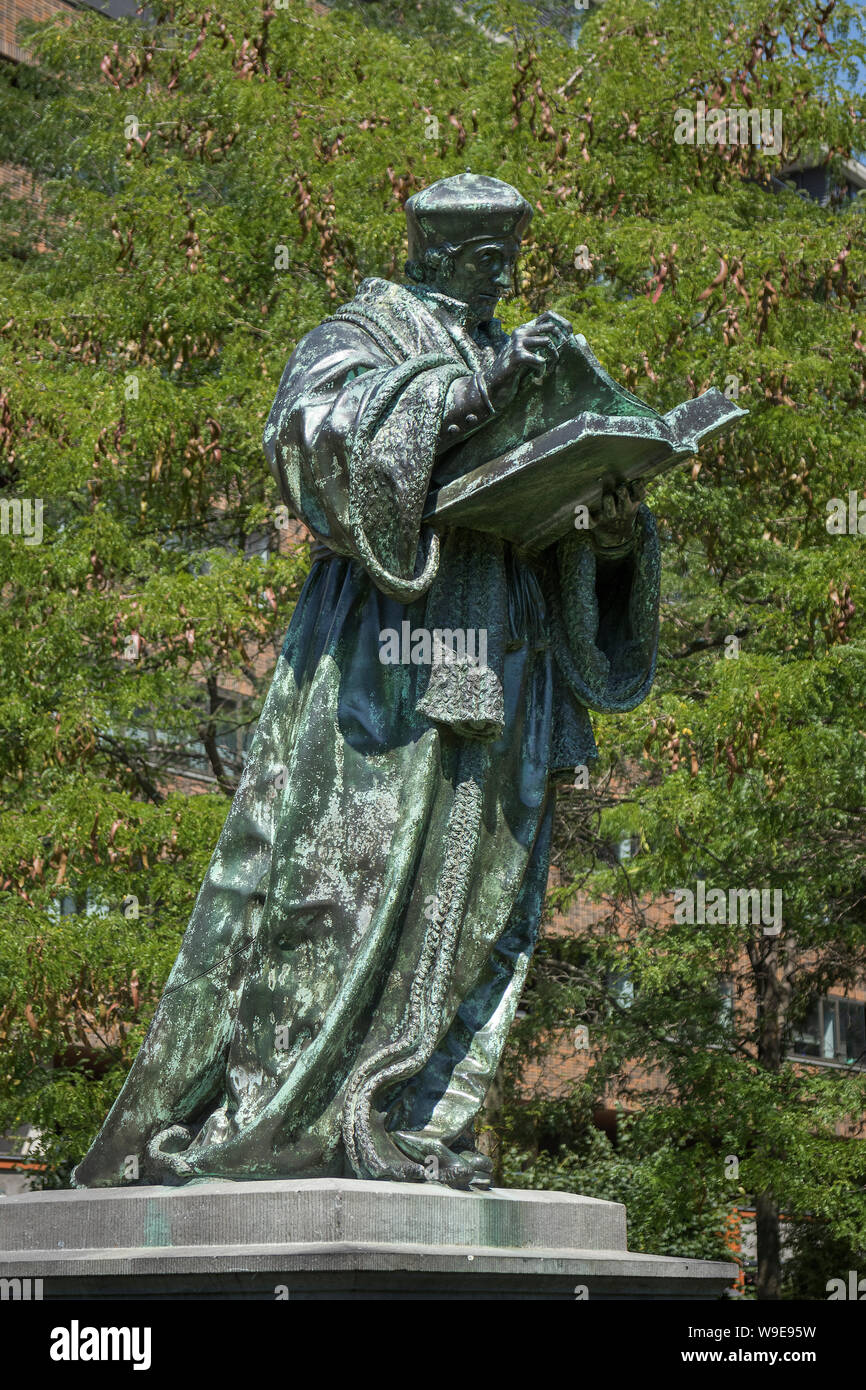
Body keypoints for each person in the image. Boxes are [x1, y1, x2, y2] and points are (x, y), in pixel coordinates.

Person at [73, 174, 659, 1191]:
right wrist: (463, 396)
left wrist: (607, 527)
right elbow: (307, 441)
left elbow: (554, 514)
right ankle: (276, 1121)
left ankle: (419, 1117)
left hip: (507, 659)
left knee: (483, 895)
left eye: (508, 260)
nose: (501, 276)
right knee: (341, 894)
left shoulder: (518, 350)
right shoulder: (362, 329)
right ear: (431, 253)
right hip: (384, 658)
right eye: (483, 261)